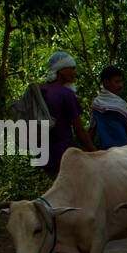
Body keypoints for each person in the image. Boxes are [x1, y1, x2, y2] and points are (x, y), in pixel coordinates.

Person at [38, 51, 96, 179]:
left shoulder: (39, 90)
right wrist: (96, 154)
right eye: (72, 68)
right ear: (61, 70)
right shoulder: (65, 94)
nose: (75, 72)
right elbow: (79, 130)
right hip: (64, 155)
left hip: (43, 155)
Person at [90, 65, 127, 149]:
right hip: (122, 150)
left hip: (105, 151)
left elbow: (92, 130)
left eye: (121, 82)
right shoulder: (117, 105)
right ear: (106, 82)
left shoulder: (96, 103)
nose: (120, 85)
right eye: (117, 82)